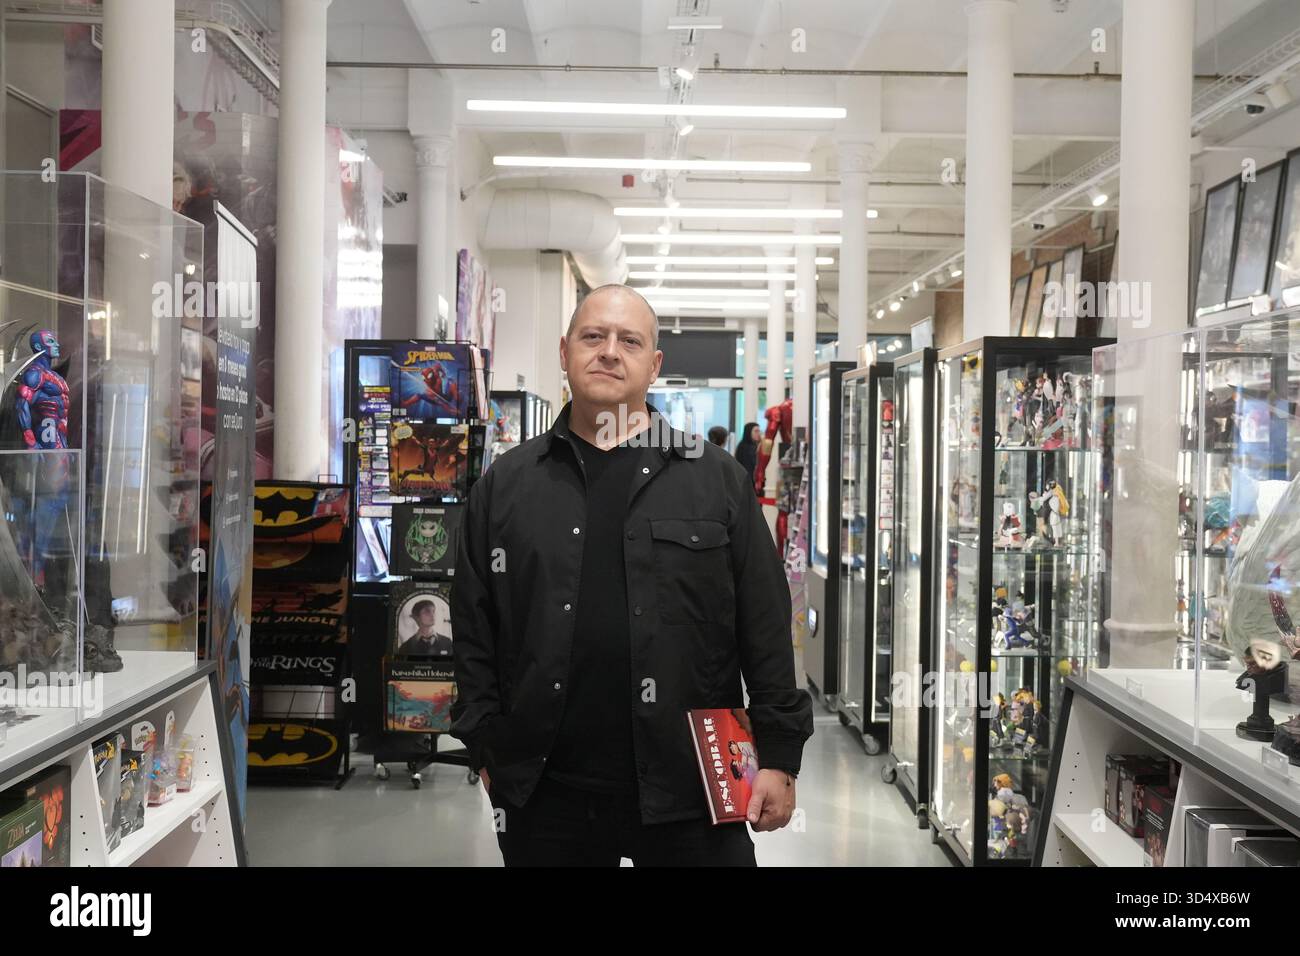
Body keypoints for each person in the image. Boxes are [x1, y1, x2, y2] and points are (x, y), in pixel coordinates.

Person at [451, 284, 812, 867]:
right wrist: (486, 745)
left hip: (693, 788)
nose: (609, 352)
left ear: (654, 363)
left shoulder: (715, 480)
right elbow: (472, 622)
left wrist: (778, 755)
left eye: (629, 340)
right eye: (593, 337)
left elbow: (765, 624)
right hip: (546, 793)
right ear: (564, 351)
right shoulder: (507, 485)